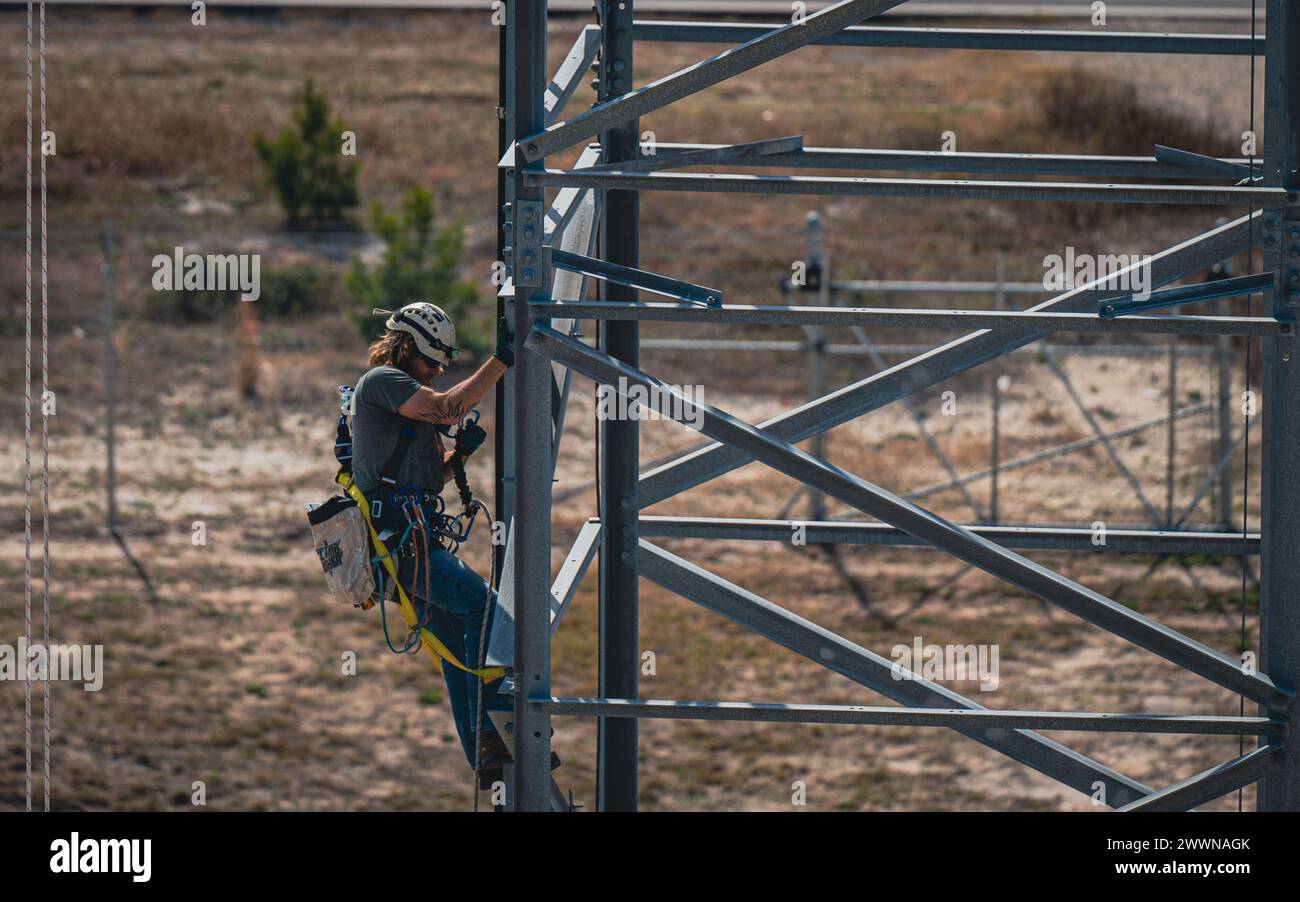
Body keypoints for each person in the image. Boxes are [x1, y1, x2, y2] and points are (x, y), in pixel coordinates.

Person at [349, 301, 516, 780]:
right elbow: (447, 408)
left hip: (413, 538)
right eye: (432, 362)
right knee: (482, 609)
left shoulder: (406, 397)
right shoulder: (382, 382)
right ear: (408, 349)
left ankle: (483, 751)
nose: (438, 371)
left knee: (457, 648)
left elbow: (428, 480)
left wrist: (456, 457)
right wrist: (501, 360)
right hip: (399, 543)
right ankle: (491, 731)